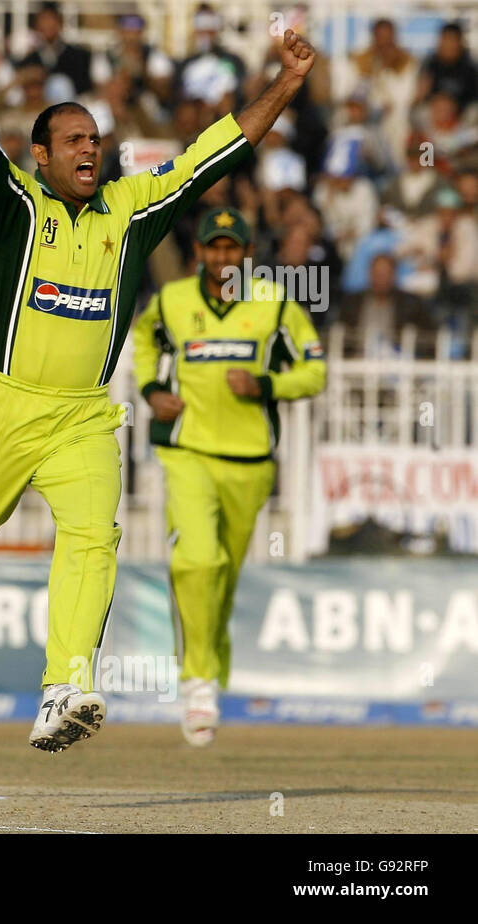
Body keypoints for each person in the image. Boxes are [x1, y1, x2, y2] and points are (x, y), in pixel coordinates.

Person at [0, 29, 316, 754]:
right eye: (74, 139)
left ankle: (65, 685)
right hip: (3, 406)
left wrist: (286, 82)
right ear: (44, 155)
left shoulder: (132, 209)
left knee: (93, 539)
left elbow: (216, 151)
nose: (90, 149)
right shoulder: (14, 206)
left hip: (83, 418)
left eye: (97, 138)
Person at [132, 208, 326, 746]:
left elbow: (315, 371)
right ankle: (198, 684)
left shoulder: (275, 304)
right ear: (199, 252)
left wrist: (266, 384)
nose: (222, 258)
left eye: (231, 248)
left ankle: (207, 673)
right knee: (197, 561)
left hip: (249, 463)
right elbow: (144, 342)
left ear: (247, 254)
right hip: (187, 451)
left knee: (224, 577)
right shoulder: (172, 301)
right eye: (213, 248)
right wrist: (151, 392)